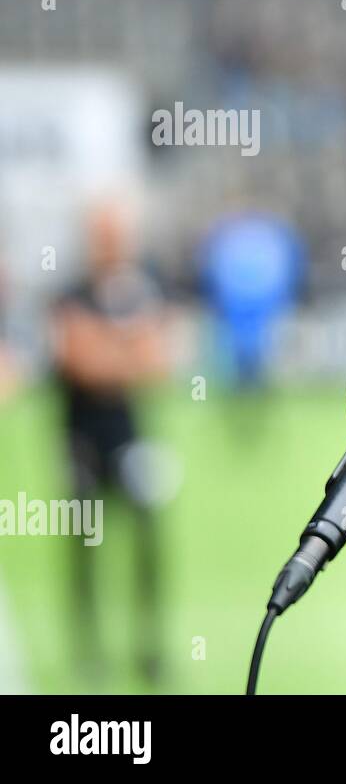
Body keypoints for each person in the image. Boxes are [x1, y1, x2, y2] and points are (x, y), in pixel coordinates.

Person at [49, 199, 171, 686]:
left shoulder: (137, 292)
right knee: (85, 548)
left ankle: (148, 647)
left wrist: (113, 349)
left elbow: (156, 362)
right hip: (80, 443)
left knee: (148, 541)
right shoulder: (72, 294)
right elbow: (83, 363)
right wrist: (123, 347)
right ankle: (88, 648)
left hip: (128, 443)